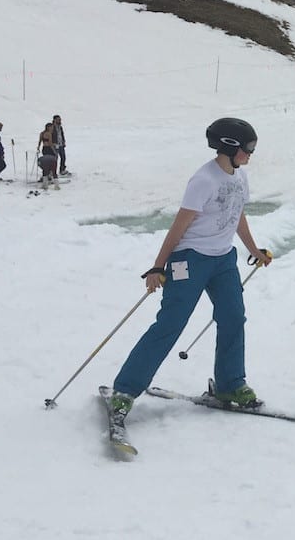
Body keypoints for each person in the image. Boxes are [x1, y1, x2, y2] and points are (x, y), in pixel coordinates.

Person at [108, 118, 272, 424]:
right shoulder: (204, 181)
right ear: (230, 147)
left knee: (233, 317)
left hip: (224, 260)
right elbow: (179, 226)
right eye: (248, 148)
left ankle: (229, 385)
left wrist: (254, 250)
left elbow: (237, 215)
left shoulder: (239, 178)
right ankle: (125, 391)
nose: (251, 154)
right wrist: (158, 266)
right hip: (189, 260)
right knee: (171, 323)